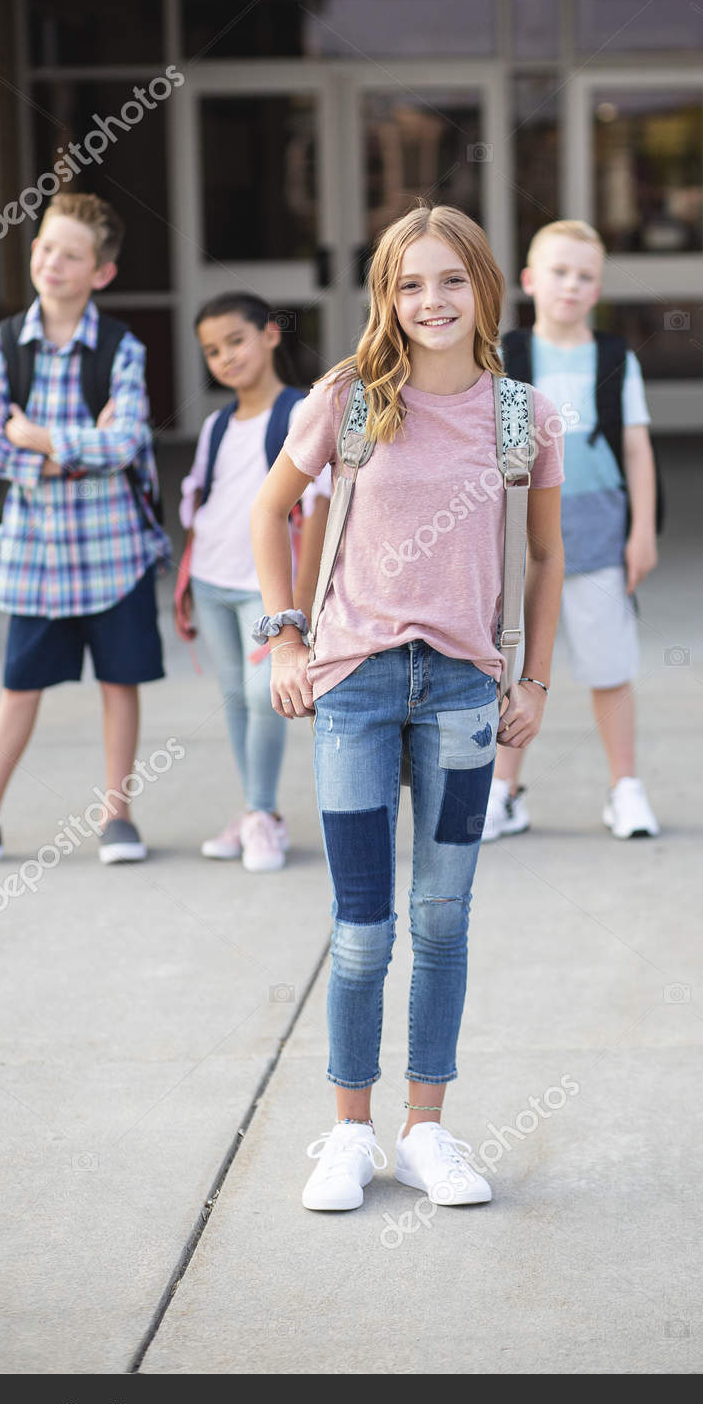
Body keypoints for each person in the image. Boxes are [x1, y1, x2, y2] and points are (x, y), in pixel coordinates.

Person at [251, 204, 565, 1212]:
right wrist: (286, 637)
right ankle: (347, 1132)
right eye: (409, 282)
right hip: (354, 686)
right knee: (361, 928)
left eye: (449, 280)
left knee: (441, 916)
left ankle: (425, 1128)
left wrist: (533, 680)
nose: (430, 300)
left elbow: (548, 556)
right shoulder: (348, 400)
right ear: (385, 296)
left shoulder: (522, 414)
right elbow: (270, 510)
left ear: (485, 288)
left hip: (466, 692)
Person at [0, 193, 171, 870]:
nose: (51, 262)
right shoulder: (1, 346)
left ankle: (118, 817)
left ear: (100, 272)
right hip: (37, 556)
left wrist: (42, 441)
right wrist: (76, 453)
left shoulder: (119, 348)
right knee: (19, 686)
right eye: (45, 247)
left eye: (71, 255)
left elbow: (127, 443)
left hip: (114, 552)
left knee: (119, 683)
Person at [483, 219, 660, 844]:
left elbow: (636, 448)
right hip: (518, 535)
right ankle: (502, 792)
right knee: (512, 667)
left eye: (585, 276)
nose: (571, 285)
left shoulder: (615, 357)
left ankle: (625, 789)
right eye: (559, 271)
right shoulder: (505, 355)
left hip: (597, 527)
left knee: (609, 662)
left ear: (599, 288)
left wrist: (642, 531)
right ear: (530, 280)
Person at [177, 293, 330, 873]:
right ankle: (254, 813)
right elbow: (202, 503)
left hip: (266, 592)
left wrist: (301, 599)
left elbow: (316, 510)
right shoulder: (216, 424)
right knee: (234, 700)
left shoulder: (299, 412)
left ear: (269, 335)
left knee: (266, 696)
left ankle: (262, 815)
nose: (225, 358)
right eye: (212, 351)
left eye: (235, 341)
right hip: (212, 581)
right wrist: (188, 582)